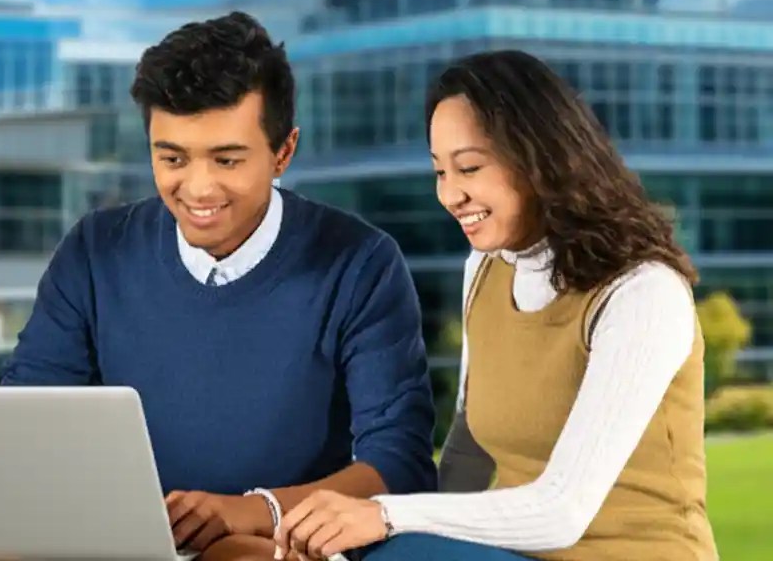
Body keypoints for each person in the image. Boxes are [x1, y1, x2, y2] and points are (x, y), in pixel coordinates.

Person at [1, 11, 438, 561]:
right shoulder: (95, 250)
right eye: (172, 158)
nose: (198, 188)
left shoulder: (360, 263)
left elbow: (399, 465)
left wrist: (250, 511)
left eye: (227, 159)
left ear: (283, 153)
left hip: (276, 548)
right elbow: (22, 423)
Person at [275, 49, 717, 561]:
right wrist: (355, 540)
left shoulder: (642, 293)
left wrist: (385, 515)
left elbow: (563, 511)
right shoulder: (485, 269)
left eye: (469, 167)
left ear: (539, 158)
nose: (450, 195)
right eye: (440, 171)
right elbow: (467, 456)